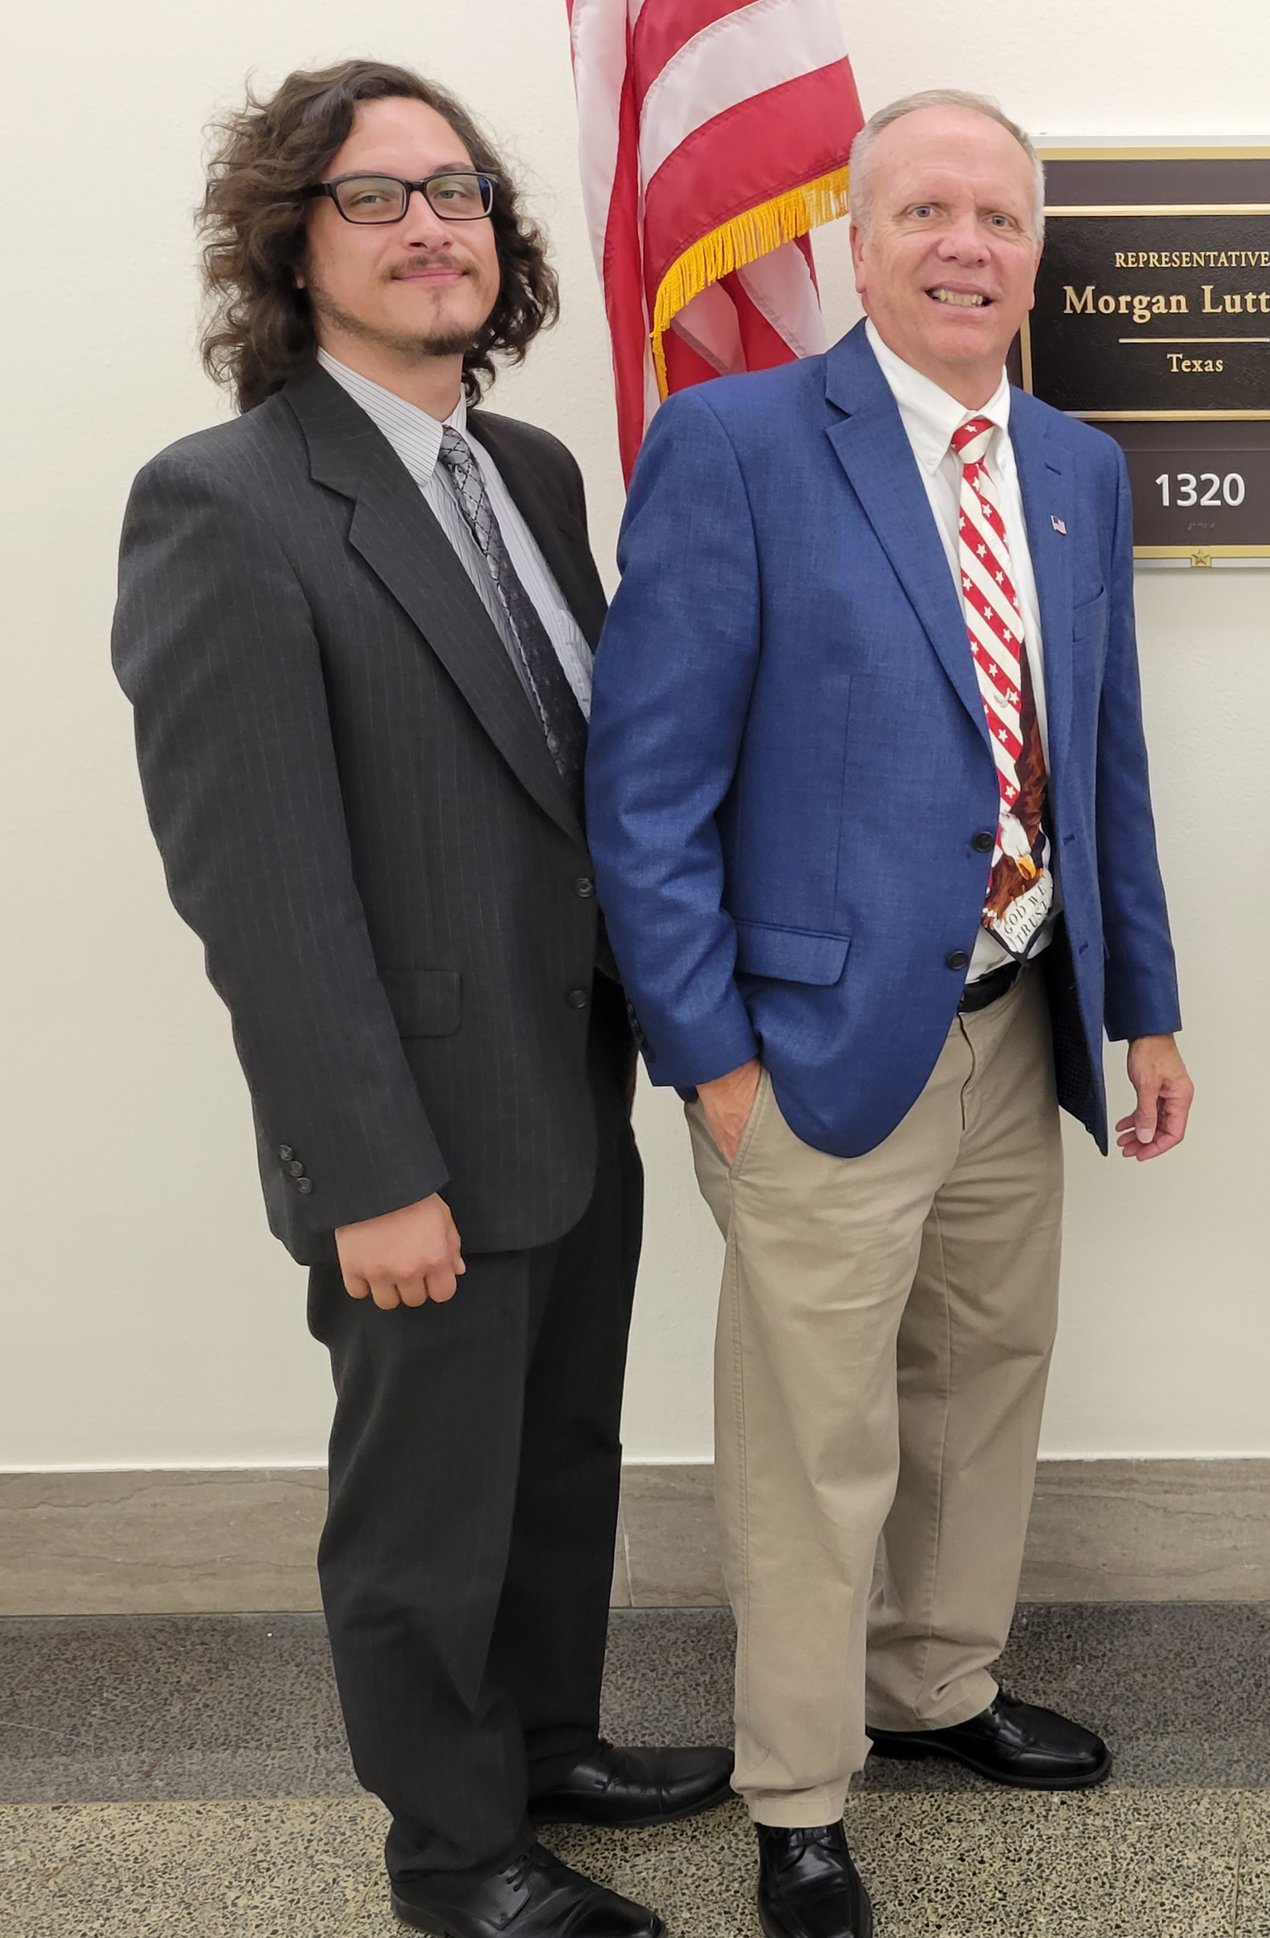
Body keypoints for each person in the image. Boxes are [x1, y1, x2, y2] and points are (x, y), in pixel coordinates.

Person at [111, 61, 731, 1938]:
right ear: (289, 248)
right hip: (412, 1128)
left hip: (569, 1083)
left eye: (456, 192)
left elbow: (576, 780)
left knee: (558, 1457)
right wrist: (365, 1167)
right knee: (424, 1513)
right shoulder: (224, 504)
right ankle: (456, 1853)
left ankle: (547, 1742)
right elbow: (262, 891)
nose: (432, 226)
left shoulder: (528, 472)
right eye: (376, 199)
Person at [586, 88, 1190, 1938]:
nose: (965, 246)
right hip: (811, 1052)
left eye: (999, 217)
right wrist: (713, 1069)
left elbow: (1103, 759)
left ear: (1036, 248)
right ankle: (796, 1787)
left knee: (983, 1383)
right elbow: (647, 793)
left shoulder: (1078, 465)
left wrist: (1143, 1006)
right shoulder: (741, 440)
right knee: (811, 1441)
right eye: (925, 211)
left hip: (1020, 1020)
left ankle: (933, 1686)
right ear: (857, 240)